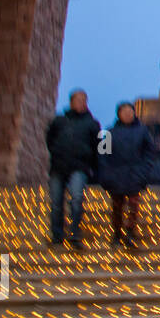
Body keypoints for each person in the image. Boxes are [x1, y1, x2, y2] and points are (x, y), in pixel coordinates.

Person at [45, 89, 101, 249]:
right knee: (56, 201)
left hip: (80, 166)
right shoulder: (59, 121)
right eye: (78, 99)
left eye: (84, 100)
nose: (81, 102)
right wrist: (56, 152)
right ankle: (57, 235)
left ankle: (74, 233)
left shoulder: (92, 124)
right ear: (71, 102)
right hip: (58, 166)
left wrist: (94, 167)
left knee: (76, 198)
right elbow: (50, 139)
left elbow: (98, 146)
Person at [97, 101, 155, 248]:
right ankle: (117, 233)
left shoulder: (142, 131)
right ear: (119, 114)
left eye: (130, 111)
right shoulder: (110, 132)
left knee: (134, 206)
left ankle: (130, 232)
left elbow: (149, 153)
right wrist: (106, 174)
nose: (128, 114)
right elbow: (102, 155)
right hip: (116, 175)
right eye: (124, 111)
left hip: (135, 174)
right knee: (117, 207)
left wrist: (144, 171)